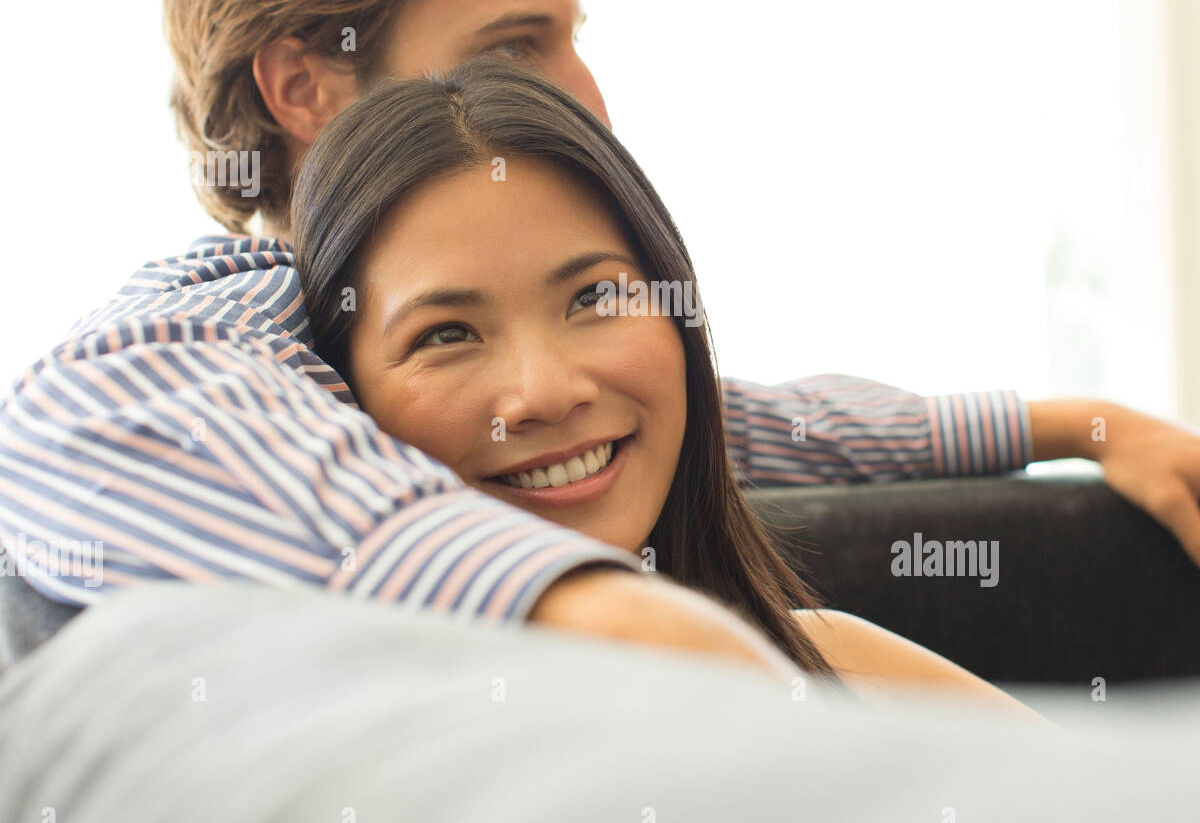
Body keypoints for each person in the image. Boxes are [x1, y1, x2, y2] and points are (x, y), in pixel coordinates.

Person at [0, 0, 1200, 684]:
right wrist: (642, 628)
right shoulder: (205, 341)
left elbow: (762, 420)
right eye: (516, 48)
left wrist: (1086, 424)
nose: (590, 98)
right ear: (308, 89)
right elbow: (95, 415)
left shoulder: (415, 360)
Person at [290, 56, 1048, 718]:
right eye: (445, 334)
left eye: (595, 297)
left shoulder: (826, 666)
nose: (547, 392)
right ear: (338, 389)